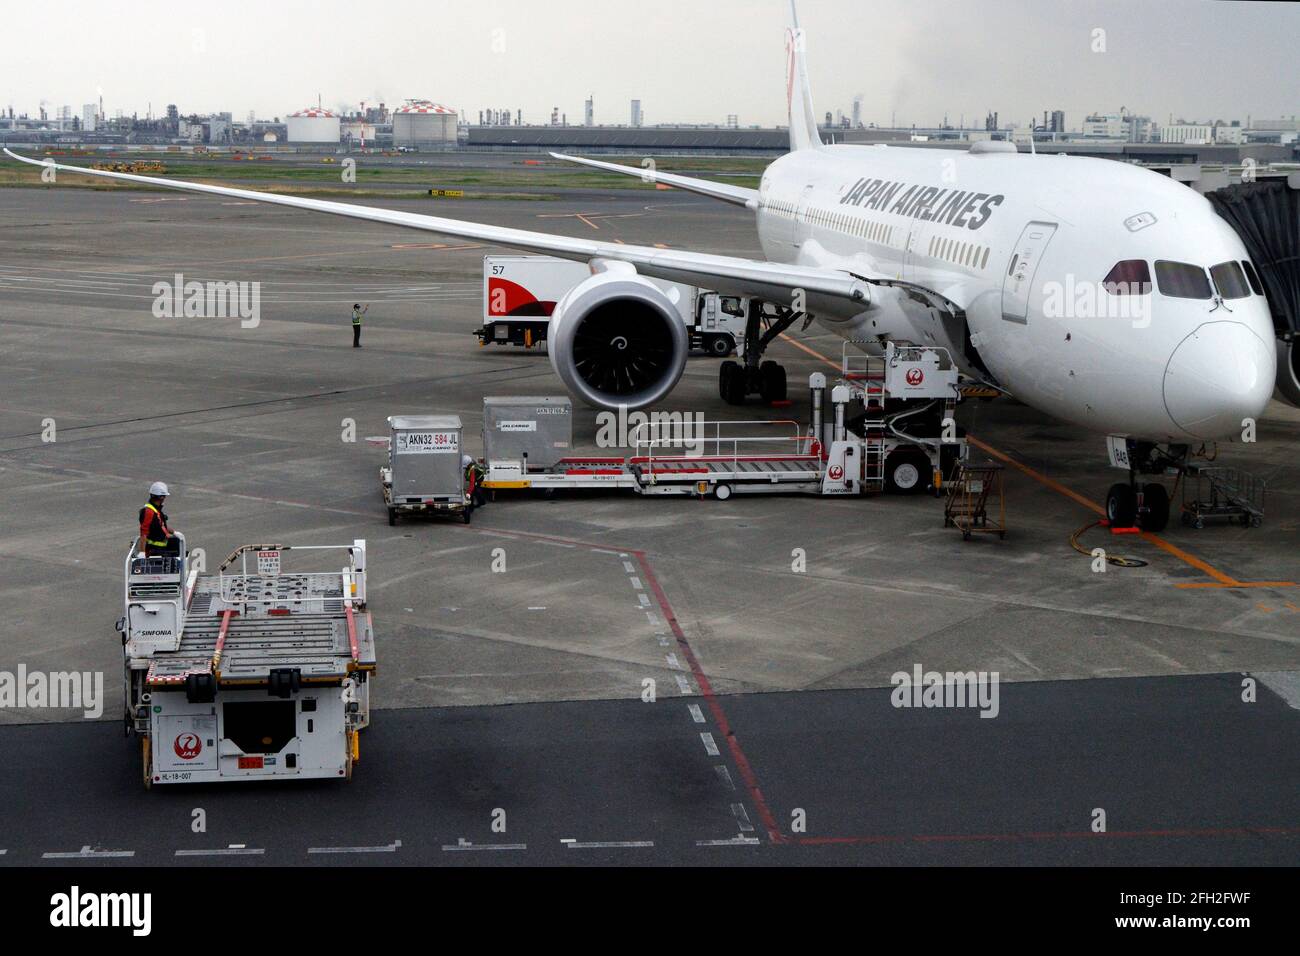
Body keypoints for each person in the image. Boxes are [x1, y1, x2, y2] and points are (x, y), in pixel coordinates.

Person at [137, 481, 180, 556]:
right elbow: (143, 533)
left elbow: (161, 525)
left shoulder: (155, 510)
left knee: (176, 542)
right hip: (155, 551)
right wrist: (142, 552)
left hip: (161, 548)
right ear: (161, 497)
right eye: (164, 496)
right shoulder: (149, 512)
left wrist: (174, 532)